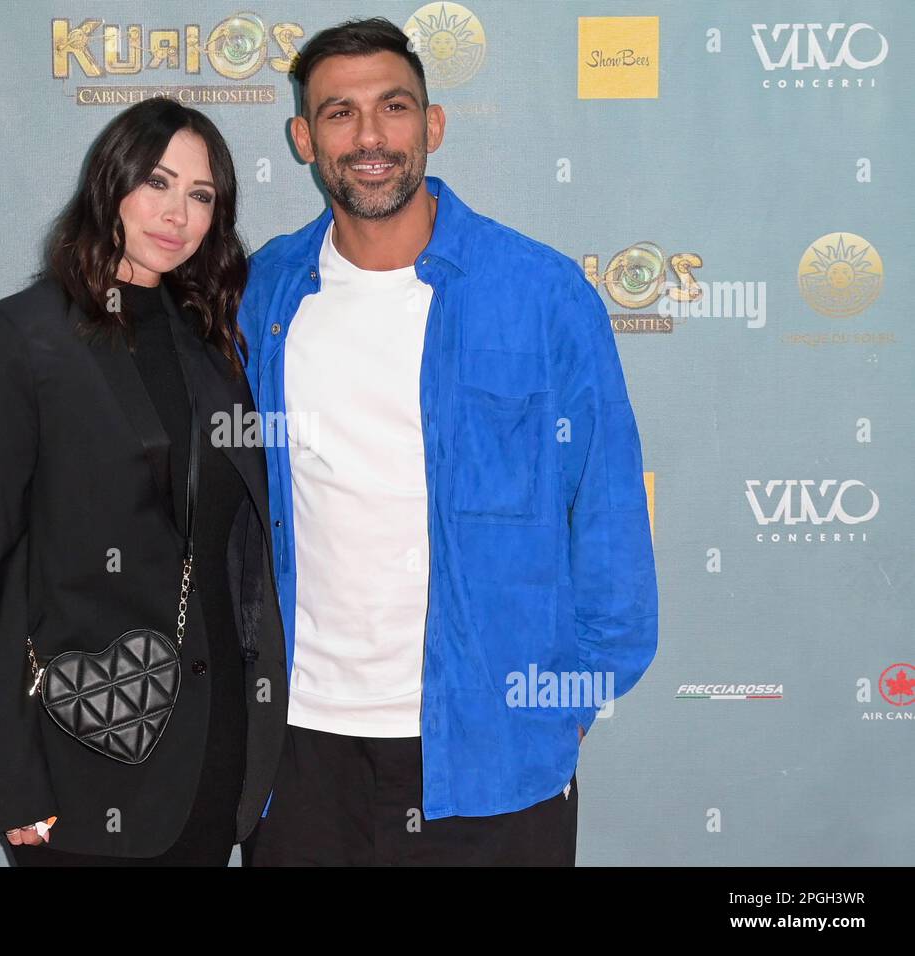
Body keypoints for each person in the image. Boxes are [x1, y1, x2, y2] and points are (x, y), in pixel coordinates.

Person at [236, 18, 659, 865]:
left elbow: (608, 511)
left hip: (492, 751)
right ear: (302, 138)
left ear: (431, 125)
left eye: (393, 108)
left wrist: (562, 707)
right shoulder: (266, 291)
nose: (370, 138)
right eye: (339, 114)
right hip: (301, 748)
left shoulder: (539, 292)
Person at [0, 97, 287, 866]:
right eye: (158, 183)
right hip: (84, 755)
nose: (178, 214)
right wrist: (4, 779)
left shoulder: (215, 344)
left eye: (202, 196)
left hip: (215, 752)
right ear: (111, 183)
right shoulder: (19, 338)